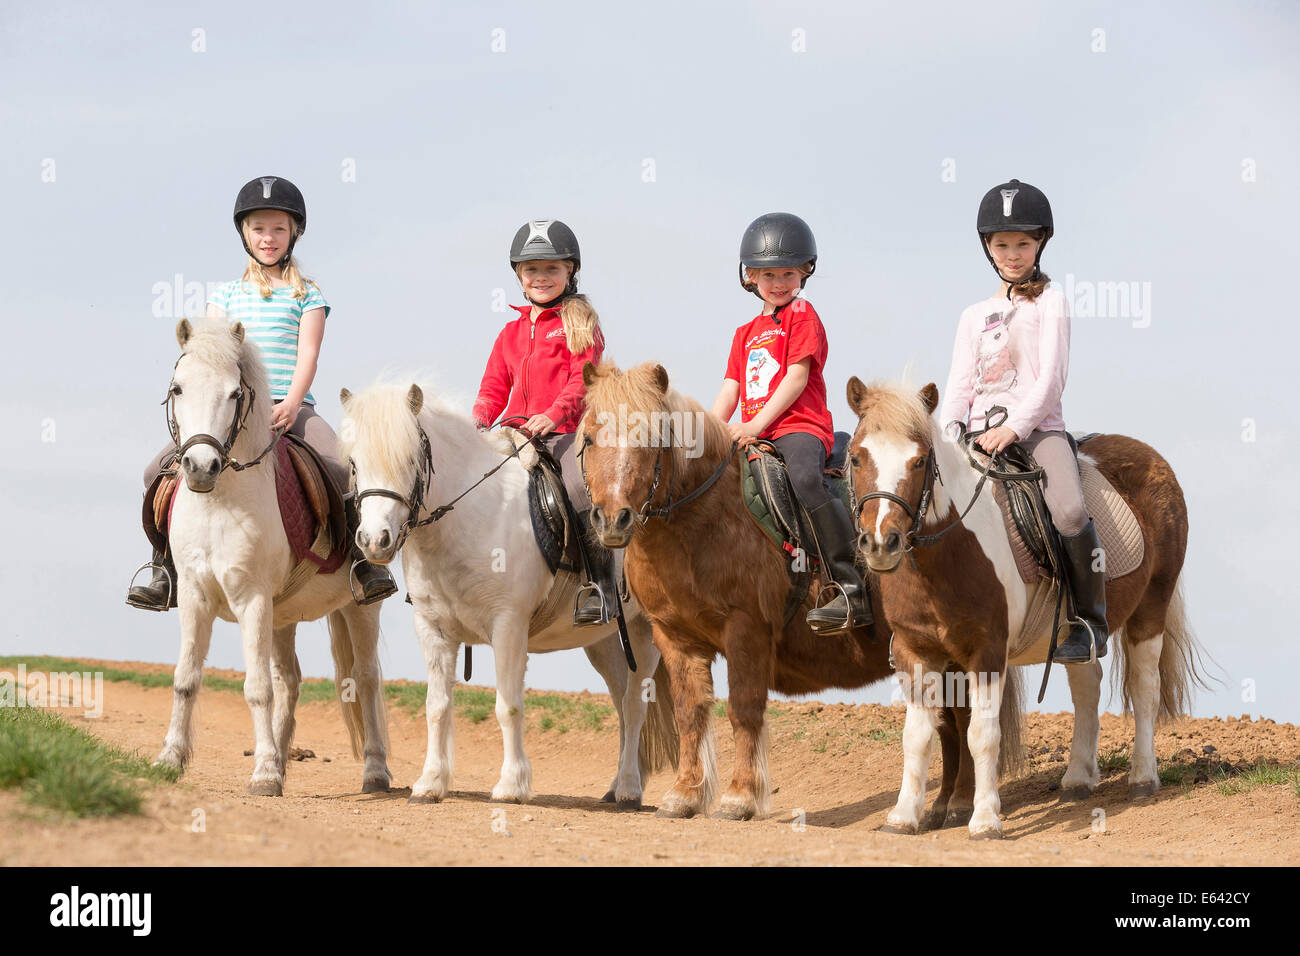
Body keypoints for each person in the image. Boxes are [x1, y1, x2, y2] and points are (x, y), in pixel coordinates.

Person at [127, 176, 397, 610]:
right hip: (229, 413)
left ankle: (363, 567)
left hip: (290, 408)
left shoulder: (307, 294)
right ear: (244, 234)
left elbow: (308, 354)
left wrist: (292, 403)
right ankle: (164, 567)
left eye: (277, 229)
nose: (268, 238)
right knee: (152, 473)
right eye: (258, 228)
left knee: (341, 468)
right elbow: (210, 360)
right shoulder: (224, 297)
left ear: (294, 234)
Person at [939, 178, 1107, 663]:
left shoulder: (1050, 300)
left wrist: (1013, 429)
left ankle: (1088, 622)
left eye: (1023, 244)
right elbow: (958, 385)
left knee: (1071, 510)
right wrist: (951, 434)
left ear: (1040, 244)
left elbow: (1051, 380)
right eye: (1003, 245)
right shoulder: (974, 315)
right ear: (988, 248)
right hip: (976, 436)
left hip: (1035, 432)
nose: (1013, 254)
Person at [710, 212, 872, 635]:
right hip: (754, 432)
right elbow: (731, 389)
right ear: (750, 276)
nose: (779, 282)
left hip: (800, 426)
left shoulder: (803, 314)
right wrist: (708, 430)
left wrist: (755, 425)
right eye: (768, 274)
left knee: (804, 480)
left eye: (788, 272)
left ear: (805, 272)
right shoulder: (744, 333)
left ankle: (850, 586)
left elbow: (796, 379)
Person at [471, 219, 615, 626]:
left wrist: (552, 416)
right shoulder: (509, 333)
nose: (541, 277)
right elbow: (493, 388)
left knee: (577, 488)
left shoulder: (580, 325)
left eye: (552, 268)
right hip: (513, 433)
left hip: (565, 435)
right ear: (518, 275)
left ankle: (599, 587)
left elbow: (582, 383)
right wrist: (476, 424)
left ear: (570, 272)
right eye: (532, 269)